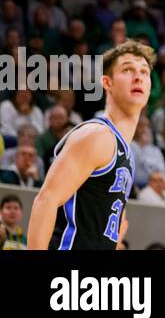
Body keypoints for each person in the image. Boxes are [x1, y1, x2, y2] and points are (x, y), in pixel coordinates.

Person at [26, 40, 153, 249]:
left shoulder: (125, 151)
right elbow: (46, 201)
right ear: (107, 82)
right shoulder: (97, 135)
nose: (138, 76)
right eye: (127, 69)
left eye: (144, 72)